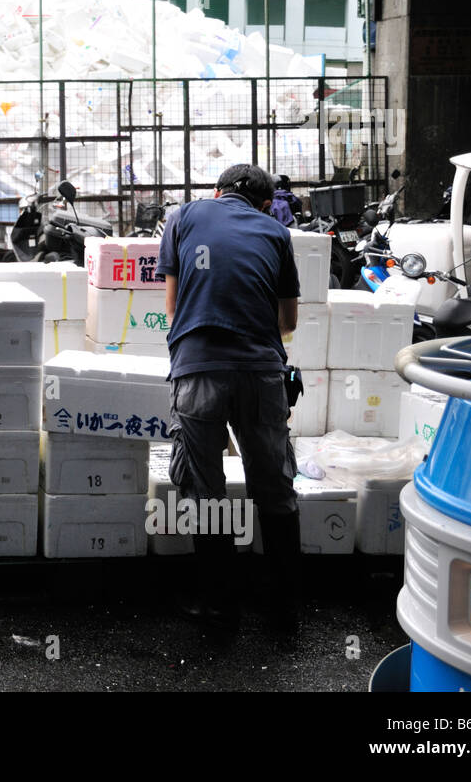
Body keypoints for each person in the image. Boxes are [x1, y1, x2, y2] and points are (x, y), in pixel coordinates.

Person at [155, 163, 301, 630]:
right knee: (273, 486)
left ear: (216, 192)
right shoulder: (277, 233)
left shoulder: (183, 216)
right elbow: (289, 322)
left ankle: (218, 606)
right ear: (264, 203)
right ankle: (282, 606)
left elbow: (174, 309)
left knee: (204, 489)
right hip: (261, 373)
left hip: (198, 370)